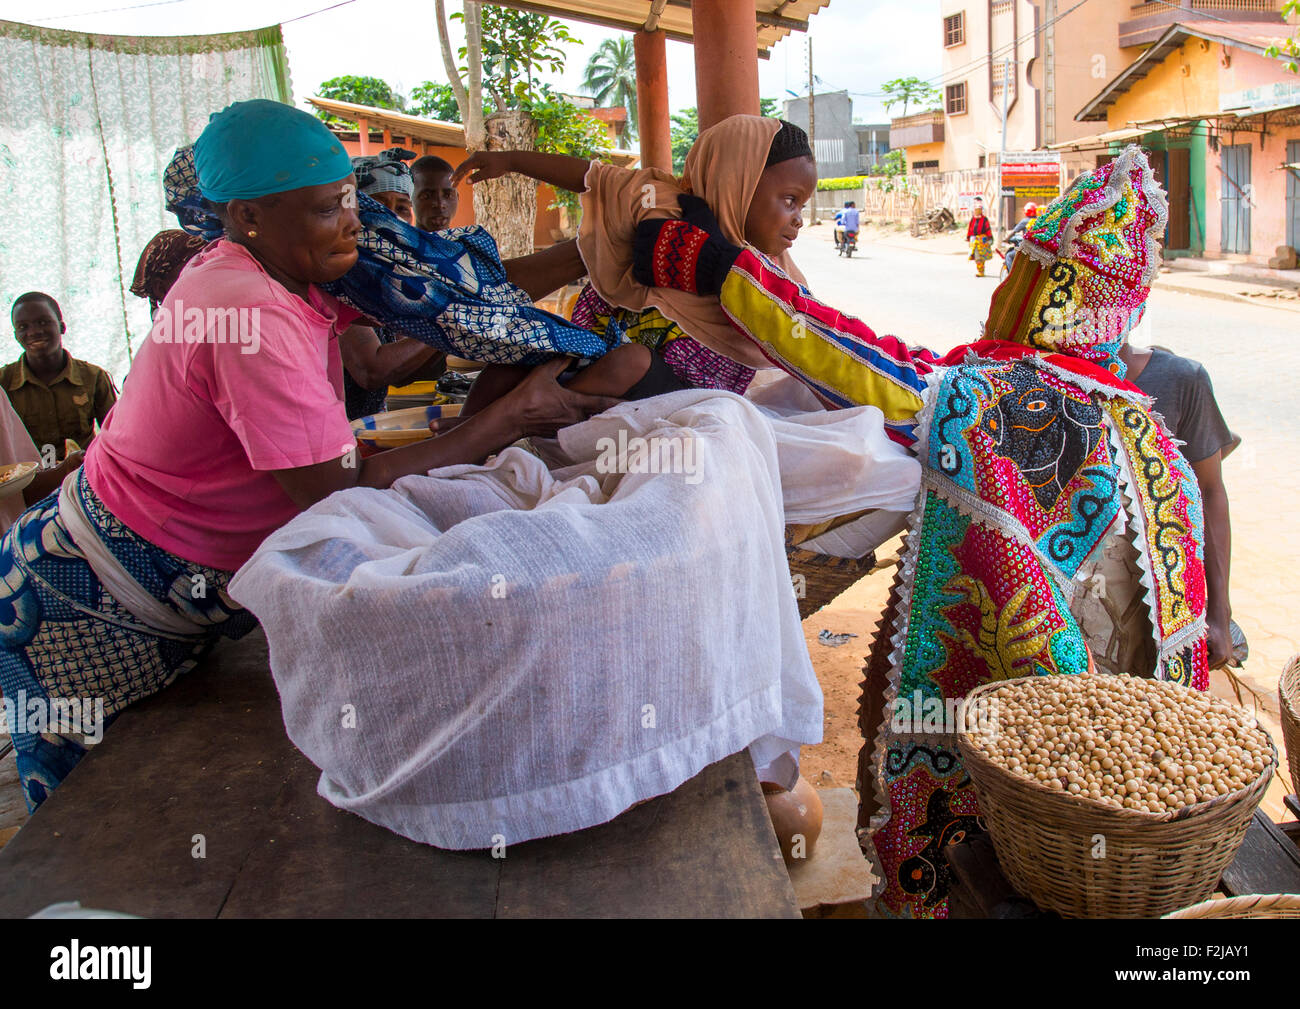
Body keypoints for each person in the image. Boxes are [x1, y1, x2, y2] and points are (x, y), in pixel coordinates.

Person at [633, 147, 1208, 917]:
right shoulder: (1144, 430)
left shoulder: (1006, 399)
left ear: (1046, 289)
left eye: (1020, 273)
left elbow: (867, 366)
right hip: (1138, 779)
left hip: (1031, 750)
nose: (1003, 288)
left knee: (990, 867)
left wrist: (723, 272)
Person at [0, 99, 618, 813]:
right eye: (330, 207)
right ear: (247, 215)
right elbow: (337, 488)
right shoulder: (246, 311)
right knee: (90, 832)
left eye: (350, 199)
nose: (353, 220)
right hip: (81, 601)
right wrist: (512, 414)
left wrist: (591, 254)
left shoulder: (296, 265)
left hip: (176, 594)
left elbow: (462, 298)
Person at [448, 116, 818, 408]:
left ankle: (536, 411)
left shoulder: (773, 275)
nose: (799, 217)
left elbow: (816, 338)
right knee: (507, 367)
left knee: (629, 362)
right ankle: (474, 432)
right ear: (739, 180)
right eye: (790, 200)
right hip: (596, 352)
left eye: (801, 205)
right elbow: (593, 177)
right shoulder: (662, 203)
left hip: (676, 394)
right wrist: (510, 160)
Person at [1121, 342, 1238, 670]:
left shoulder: (1181, 379)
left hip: (1167, 604)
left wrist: (1219, 613)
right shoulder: (1034, 377)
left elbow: (1209, 490)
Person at [341, 148, 446, 420]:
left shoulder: (384, 276)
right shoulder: (339, 276)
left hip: (368, 425)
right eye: (377, 205)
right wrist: (451, 317)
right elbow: (371, 370)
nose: (391, 220)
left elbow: (403, 370)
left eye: (401, 208)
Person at [5, 293, 117, 458]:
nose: (34, 332)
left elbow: (116, 437)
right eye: (23, 327)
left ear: (62, 327)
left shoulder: (93, 377)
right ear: (16, 336)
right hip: (31, 480)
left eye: (43, 322)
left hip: (84, 476)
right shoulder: (4, 384)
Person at [412, 155, 460, 232]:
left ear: (457, 197)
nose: (440, 204)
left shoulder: (468, 243)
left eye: (447, 195)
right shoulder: (398, 243)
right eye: (426, 196)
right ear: (409, 199)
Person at [966, 199, 993, 276]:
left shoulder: (984, 219)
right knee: (976, 256)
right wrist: (968, 238)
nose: (977, 211)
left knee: (982, 256)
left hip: (982, 240)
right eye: (976, 210)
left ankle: (981, 271)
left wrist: (989, 238)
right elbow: (970, 229)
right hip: (974, 240)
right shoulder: (973, 219)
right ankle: (980, 270)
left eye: (978, 210)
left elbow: (988, 229)